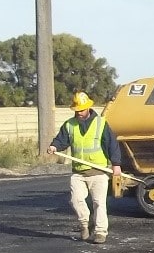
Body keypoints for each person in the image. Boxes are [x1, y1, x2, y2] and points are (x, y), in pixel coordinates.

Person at [46, 91, 123, 244]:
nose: (79, 113)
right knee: (75, 200)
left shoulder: (101, 123)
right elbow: (61, 140)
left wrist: (116, 165)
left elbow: (112, 144)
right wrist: (54, 146)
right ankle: (84, 224)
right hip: (78, 173)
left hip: (99, 172)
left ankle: (100, 232)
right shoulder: (69, 125)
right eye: (77, 110)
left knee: (99, 203)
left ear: (88, 107)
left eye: (81, 109)